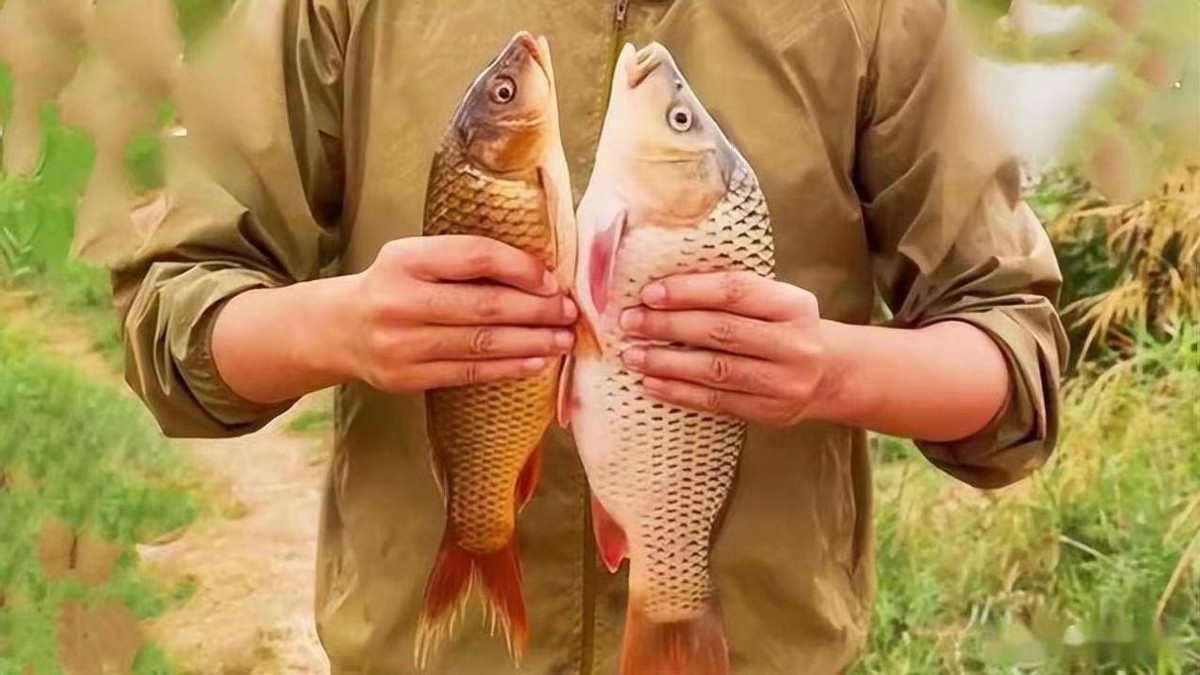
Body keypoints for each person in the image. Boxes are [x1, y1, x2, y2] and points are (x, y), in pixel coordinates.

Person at [112, 0, 1069, 672]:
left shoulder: (887, 15)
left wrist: (830, 371)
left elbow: (1015, 365)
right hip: (426, 654)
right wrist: (340, 325)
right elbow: (175, 321)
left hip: (755, 653)